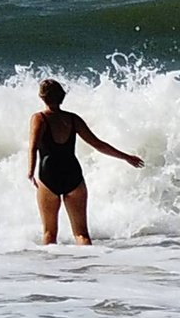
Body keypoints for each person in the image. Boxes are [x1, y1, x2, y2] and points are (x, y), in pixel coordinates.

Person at [26, 78, 143, 245]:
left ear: (42, 97)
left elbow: (33, 147)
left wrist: (30, 171)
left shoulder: (39, 118)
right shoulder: (73, 119)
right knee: (82, 234)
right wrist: (126, 157)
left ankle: (50, 271)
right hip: (73, 174)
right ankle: (88, 267)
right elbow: (98, 144)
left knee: (50, 234)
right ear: (61, 97)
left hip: (49, 175)